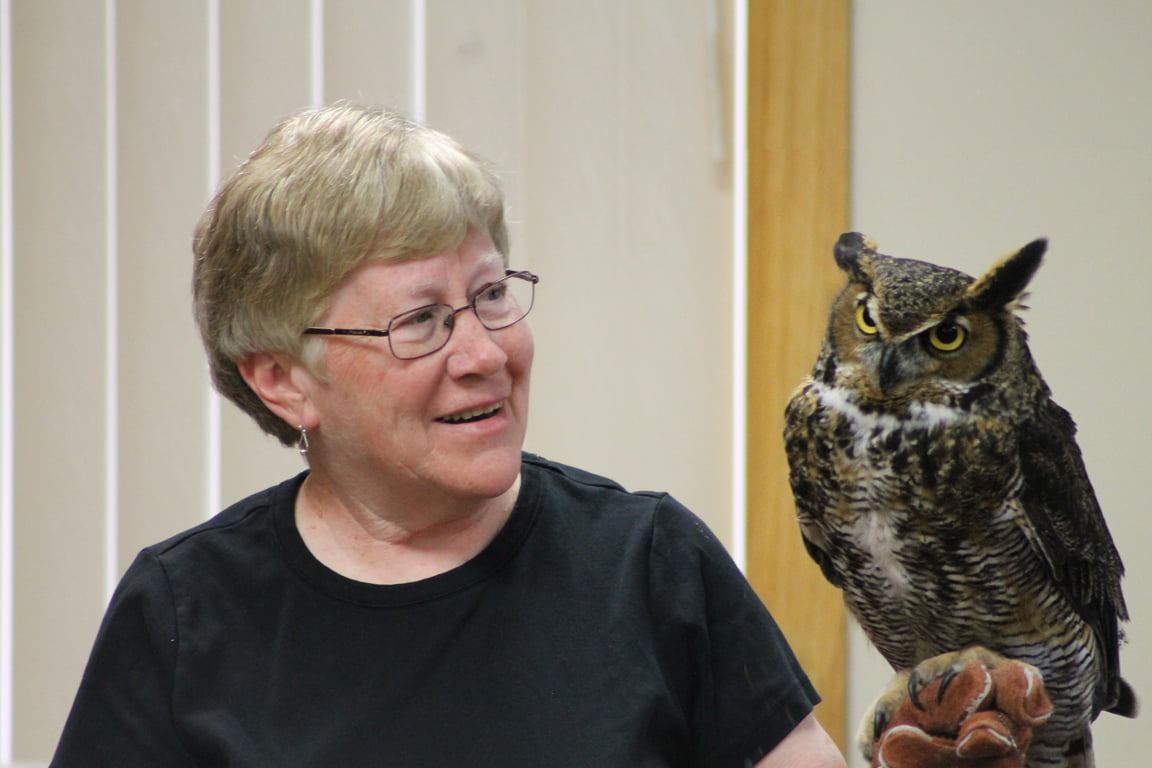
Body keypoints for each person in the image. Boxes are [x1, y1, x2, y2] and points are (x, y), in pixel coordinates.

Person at [51, 102, 848, 766]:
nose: (486, 352)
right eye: (420, 320)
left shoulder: (650, 566)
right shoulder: (184, 615)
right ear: (283, 379)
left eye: (492, 294)